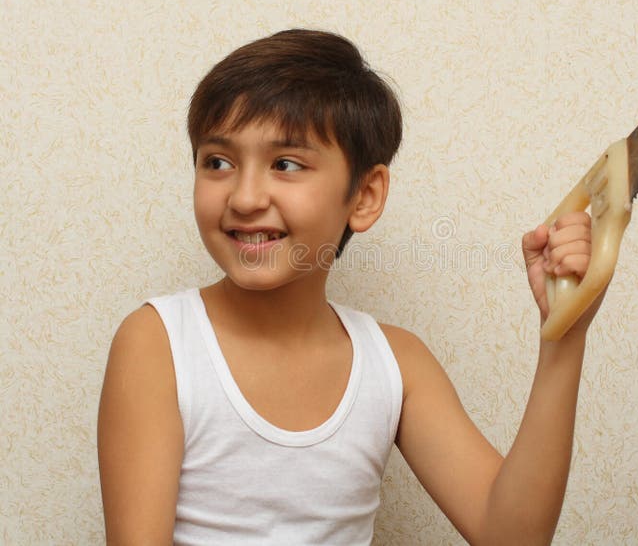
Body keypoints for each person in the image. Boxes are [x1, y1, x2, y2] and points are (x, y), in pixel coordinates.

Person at [97, 29, 599, 545]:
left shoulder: (396, 364)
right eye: (218, 162)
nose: (244, 198)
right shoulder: (158, 343)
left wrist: (564, 334)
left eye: (285, 164)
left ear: (364, 196)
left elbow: (512, 536)